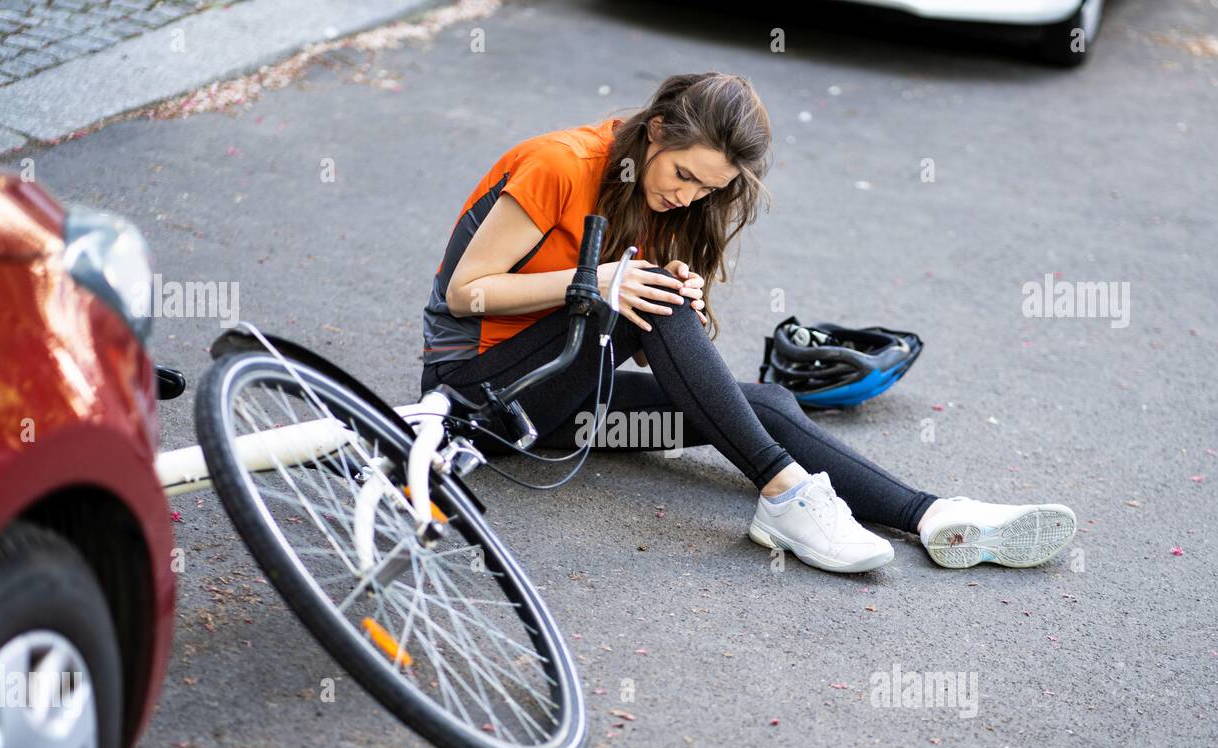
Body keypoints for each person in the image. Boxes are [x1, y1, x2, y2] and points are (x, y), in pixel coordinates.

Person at [418, 72, 1076, 573]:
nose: (687, 196)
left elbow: (646, 348)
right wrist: (602, 284)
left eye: (707, 190)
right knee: (643, 300)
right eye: (683, 175)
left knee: (762, 401)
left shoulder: (658, 196)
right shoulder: (559, 164)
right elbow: (463, 293)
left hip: (562, 410)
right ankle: (787, 495)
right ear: (654, 131)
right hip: (476, 401)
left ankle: (931, 515)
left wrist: (677, 296)